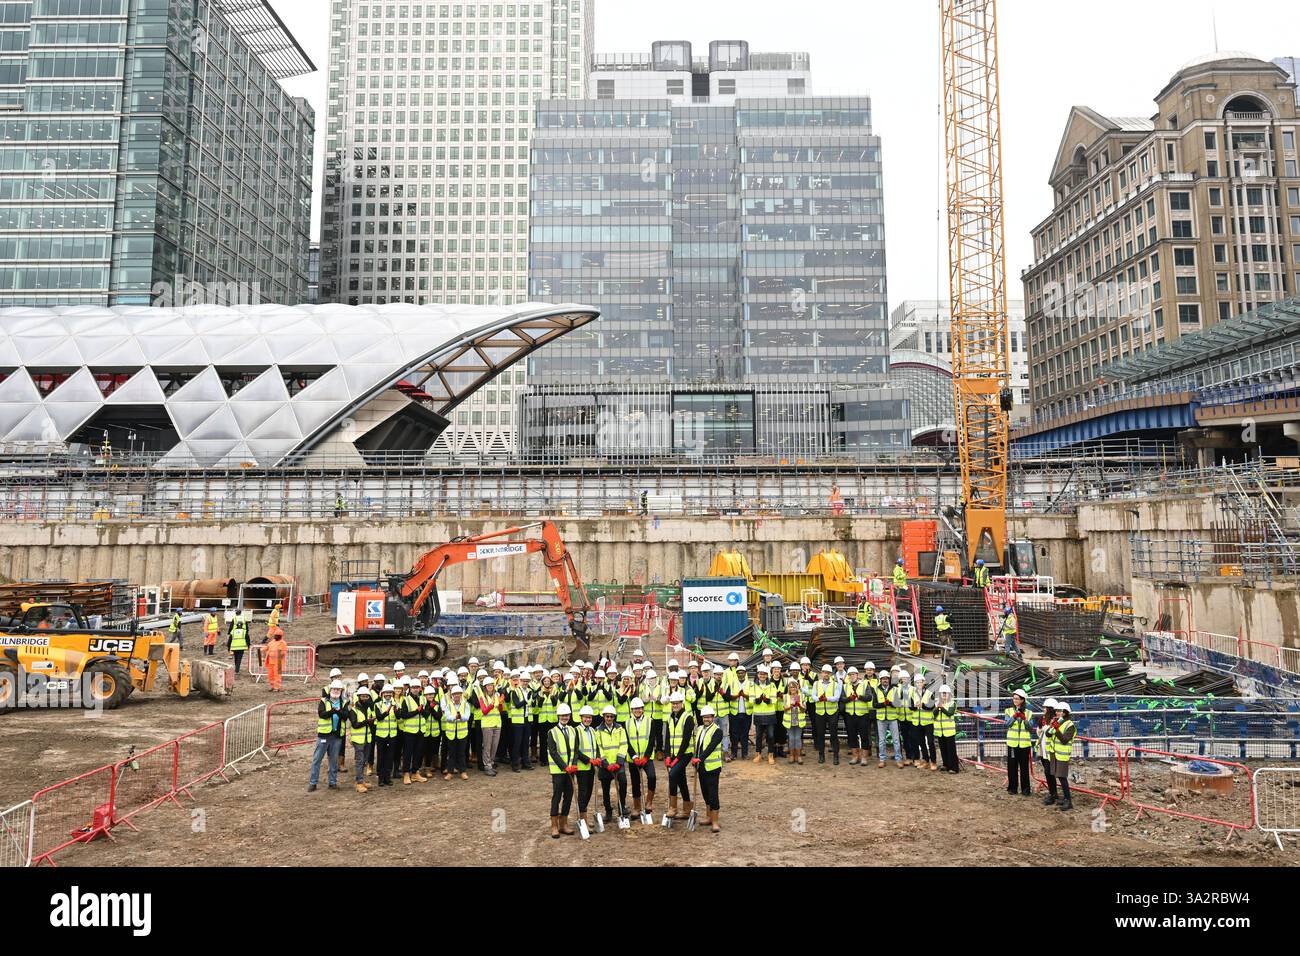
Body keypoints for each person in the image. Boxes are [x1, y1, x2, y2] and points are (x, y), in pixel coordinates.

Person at [594, 705, 630, 824]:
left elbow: (624, 745)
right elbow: (599, 748)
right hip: (605, 765)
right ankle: (608, 811)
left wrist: (619, 762)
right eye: (607, 716)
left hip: (618, 764)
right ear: (604, 717)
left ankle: (621, 807)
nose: (609, 718)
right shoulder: (598, 730)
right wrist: (605, 764)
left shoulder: (620, 729)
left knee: (623, 783)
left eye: (611, 716)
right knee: (605, 789)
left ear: (614, 717)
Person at [308, 679, 346, 792]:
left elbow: (345, 716)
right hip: (324, 736)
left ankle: (332, 783)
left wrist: (337, 712)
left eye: (338, 689)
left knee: (333, 761)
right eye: (334, 689)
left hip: (337, 736)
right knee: (317, 759)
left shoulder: (344, 702)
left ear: (341, 690)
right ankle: (313, 783)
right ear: (330, 690)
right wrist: (333, 711)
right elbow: (322, 714)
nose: (336, 691)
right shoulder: (324, 701)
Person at [691, 705, 724, 833]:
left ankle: (715, 821)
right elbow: (698, 746)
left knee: (713, 793)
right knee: (705, 792)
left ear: (713, 717)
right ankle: (708, 817)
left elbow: (711, 747)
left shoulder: (717, 731)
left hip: (713, 767)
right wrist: (695, 757)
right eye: (705, 717)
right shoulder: (700, 729)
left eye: (709, 717)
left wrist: (700, 758)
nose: (707, 719)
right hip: (701, 767)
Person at [547, 702, 578, 838]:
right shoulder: (552, 732)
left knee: (569, 795)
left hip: (571, 770)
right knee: (557, 796)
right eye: (562, 715)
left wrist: (574, 764)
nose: (565, 717)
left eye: (567, 715)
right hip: (559, 771)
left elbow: (576, 750)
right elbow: (553, 753)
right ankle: (554, 825)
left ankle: (563, 823)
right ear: (558, 716)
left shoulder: (572, 730)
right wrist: (564, 767)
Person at [664, 690, 695, 821]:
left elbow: (686, 740)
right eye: (673, 703)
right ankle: (687, 809)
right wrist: (667, 756)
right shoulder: (670, 718)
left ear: (682, 703)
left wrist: (677, 758)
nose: (675, 705)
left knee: (672, 775)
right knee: (681, 780)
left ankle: (673, 807)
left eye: (677, 703)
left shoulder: (688, 718)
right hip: (673, 754)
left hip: (685, 753)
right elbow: (667, 738)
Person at [625, 697, 656, 817]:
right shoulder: (627, 723)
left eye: (639, 708)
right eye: (635, 709)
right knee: (635, 782)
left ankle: (649, 802)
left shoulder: (650, 721)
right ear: (632, 710)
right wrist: (634, 756)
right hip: (633, 759)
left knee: (652, 777)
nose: (637, 710)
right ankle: (637, 807)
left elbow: (652, 740)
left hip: (647, 758)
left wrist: (646, 757)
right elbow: (627, 742)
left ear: (643, 709)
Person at [573, 706, 599, 834]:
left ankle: (584, 817)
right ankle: (583, 820)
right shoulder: (576, 731)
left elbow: (595, 747)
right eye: (585, 717)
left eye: (589, 717)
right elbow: (576, 750)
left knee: (589, 791)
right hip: (582, 767)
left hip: (591, 767)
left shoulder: (593, 731)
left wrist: (598, 758)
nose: (588, 719)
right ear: (581, 718)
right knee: (583, 792)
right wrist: (589, 760)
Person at [1004, 689, 1034, 796]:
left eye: (1017, 699)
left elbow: (1031, 729)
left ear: (1022, 700)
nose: (1015, 700)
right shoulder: (1008, 711)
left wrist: (1024, 719)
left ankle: (1025, 789)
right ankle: (1012, 788)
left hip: (1024, 745)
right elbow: (1007, 724)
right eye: (1014, 698)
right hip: (1012, 744)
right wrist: (1015, 716)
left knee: (1024, 768)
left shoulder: (1029, 713)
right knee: (1012, 767)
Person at [811, 664, 841, 765]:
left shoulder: (835, 684)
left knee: (834, 735)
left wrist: (827, 698)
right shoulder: (816, 683)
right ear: (821, 673)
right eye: (824, 672)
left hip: (832, 712)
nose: (826, 674)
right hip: (820, 713)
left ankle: (836, 756)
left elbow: (837, 697)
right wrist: (819, 699)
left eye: (828, 673)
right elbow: (813, 696)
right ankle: (821, 755)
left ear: (830, 674)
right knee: (820, 735)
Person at [1049, 701, 1076, 811]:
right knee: (1059, 776)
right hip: (1055, 753)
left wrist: (1056, 729)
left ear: (1065, 712)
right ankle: (1065, 798)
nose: (1057, 712)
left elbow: (1064, 740)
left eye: (1059, 711)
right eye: (1056, 711)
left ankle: (1068, 800)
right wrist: (1052, 727)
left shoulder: (1070, 725)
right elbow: (1048, 734)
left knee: (1062, 777)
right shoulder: (1058, 722)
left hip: (1062, 756)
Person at [441, 683, 471, 780]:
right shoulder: (448, 706)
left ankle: (463, 772)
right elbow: (448, 717)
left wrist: (460, 717)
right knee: (452, 753)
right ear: (452, 695)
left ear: (461, 694)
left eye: (459, 693)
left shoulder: (466, 704)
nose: (457, 695)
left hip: (462, 734)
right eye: (455, 694)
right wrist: (455, 717)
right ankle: (450, 772)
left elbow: (467, 717)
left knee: (461, 753)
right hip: (451, 734)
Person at [347, 685, 375, 793]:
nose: (365, 698)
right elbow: (355, 724)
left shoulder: (367, 709)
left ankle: (361, 780)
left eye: (366, 697)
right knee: (359, 761)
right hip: (358, 740)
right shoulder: (354, 710)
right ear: (359, 697)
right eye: (363, 696)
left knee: (364, 761)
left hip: (366, 738)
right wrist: (367, 722)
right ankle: (359, 783)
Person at [505, 670, 533, 772]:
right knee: (517, 743)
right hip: (517, 721)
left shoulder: (530, 691)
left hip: (527, 720)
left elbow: (531, 706)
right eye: (524, 681)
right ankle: (515, 764)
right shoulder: (515, 691)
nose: (525, 683)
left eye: (527, 681)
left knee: (526, 742)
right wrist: (526, 700)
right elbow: (517, 705)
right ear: (520, 681)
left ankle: (526, 763)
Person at [476, 675, 503, 777]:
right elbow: (484, 711)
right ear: (485, 687)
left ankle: (491, 764)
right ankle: (487, 766)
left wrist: (500, 704)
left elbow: (500, 711)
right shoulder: (483, 697)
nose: (490, 687)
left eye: (491, 685)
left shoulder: (496, 695)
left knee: (494, 746)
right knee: (487, 746)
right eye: (488, 685)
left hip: (497, 724)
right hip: (487, 725)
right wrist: (492, 704)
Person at [843, 666, 870, 766]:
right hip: (850, 714)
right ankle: (855, 756)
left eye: (853, 674)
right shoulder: (845, 686)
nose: (851, 676)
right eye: (850, 675)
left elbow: (869, 697)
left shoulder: (864, 684)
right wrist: (850, 698)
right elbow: (842, 699)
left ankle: (864, 757)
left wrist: (860, 697)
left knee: (864, 736)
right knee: (852, 736)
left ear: (857, 675)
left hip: (862, 715)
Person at [750, 664, 777, 763]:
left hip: (770, 715)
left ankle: (770, 755)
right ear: (758, 674)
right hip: (758, 714)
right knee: (758, 736)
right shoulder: (753, 685)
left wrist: (767, 700)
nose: (762, 676)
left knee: (770, 735)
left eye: (764, 674)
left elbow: (774, 699)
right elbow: (751, 699)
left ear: (767, 675)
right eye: (761, 674)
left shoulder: (772, 685)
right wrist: (757, 700)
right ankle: (758, 754)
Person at [373, 684, 399, 787]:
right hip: (381, 735)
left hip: (392, 734)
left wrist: (397, 711)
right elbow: (379, 717)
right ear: (383, 694)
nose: (388, 694)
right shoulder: (378, 704)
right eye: (386, 692)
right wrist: (387, 712)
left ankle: (387, 778)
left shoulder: (395, 704)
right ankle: (380, 778)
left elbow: (399, 716)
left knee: (390, 757)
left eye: (390, 692)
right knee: (381, 756)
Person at [875, 670, 902, 767]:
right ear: (880, 680)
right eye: (883, 679)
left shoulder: (894, 689)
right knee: (882, 741)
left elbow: (898, 703)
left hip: (892, 718)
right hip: (881, 719)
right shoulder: (876, 689)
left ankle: (898, 759)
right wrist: (883, 704)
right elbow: (875, 704)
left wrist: (890, 703)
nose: (885, 680)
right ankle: (882, 759)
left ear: (889, 679)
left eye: (886, 678)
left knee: (896, 740)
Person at [1037, 698, 1060, 805]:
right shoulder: (1042, 719)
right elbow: (1039, 732)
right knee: (1048, 773)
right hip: (1043, 751)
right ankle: (1053, 793)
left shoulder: (1056, 721)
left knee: (1050, 773)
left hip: (1051, 751)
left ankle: (1053, 794)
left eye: (1045, 708)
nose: (1043, 709)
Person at [934, 684, 960, 772]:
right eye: (942, 693)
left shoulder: (952, 703)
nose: (944, 695)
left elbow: (950, 713)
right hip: (940, 731)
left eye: (945, 693)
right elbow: (934, 714)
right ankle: (946, 765)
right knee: (943, 749)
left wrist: (942, 708)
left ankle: (954, 768)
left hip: (949, 731)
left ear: (949, 694)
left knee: (951, 750)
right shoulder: (937, 703)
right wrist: (938, 707)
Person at [729, 664, 752, 761]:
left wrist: (745, 695)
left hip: (746, 712)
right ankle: (734, 753)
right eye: (739, 673)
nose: (740, 674)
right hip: (735, 712)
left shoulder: (750, 684)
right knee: (734, 734)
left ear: (745, 673)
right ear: (736, 674)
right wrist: (737, 696)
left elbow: (753, 697)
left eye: (742, 672)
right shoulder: (732, 683)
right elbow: (728, 697)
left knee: (745, 734)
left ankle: (744, 754)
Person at [914, 673, 937, 770]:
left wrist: (922, 705)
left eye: (920, 682)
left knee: (931, 742)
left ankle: (933, 762)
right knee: (921, 743)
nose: (919, 683)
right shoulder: (913, 693)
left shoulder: (929, 693)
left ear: (924, 682)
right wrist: (913, 706)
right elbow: (910, 705)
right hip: (917, 722)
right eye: (917, 682)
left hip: (928, 722)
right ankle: (926, 760)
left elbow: (932, 706)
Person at [782, 675, 806, 764]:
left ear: (797, 687)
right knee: (791, 738)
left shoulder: (802, 696)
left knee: (797, 738)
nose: (792, 689)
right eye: (791, 687)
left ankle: (798, 756)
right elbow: (784, 708)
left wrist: (799, 705)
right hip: (789, 721)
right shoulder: (785, 697)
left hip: (798, 721)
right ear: (788, 688)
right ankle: (792, 756)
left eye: (794, 687)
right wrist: (790, 706)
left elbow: (804, 710)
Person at [262, 625, 287, 691]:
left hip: (278, 662)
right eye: (275, 635)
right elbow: (267, 647)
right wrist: (261, 650)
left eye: (276, 635)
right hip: (270, 661)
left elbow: (283, 653)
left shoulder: (282, 643)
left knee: (277, 675)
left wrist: (275, 655)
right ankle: (273, 686)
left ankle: (277, 687)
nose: (275, 636)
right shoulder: (272, 642)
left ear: (280, 636)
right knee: (271, 675)